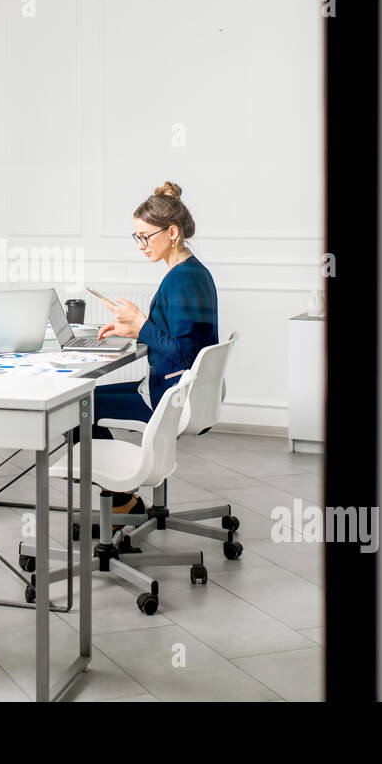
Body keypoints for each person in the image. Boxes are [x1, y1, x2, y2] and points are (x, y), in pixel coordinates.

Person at [92, 181, 218, 517]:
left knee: (79, 408)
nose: (141, 245)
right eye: (137, 237)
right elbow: (179, 337)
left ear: (172, 232)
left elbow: (185, 355)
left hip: (168, 398)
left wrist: (142, 324)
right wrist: (133, 327)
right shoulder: (191, 273)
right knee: (85, 402)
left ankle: (122, 498)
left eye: (146, 236)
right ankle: (123, 497)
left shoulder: (182, 280)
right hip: (174, 392)